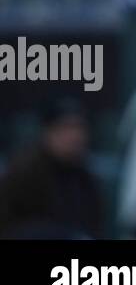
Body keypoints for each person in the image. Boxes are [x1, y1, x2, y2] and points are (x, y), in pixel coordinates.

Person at [0, 95, 104, 239]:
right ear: (47, 132)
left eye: (79, 127)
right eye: (66, 127)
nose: (75, 136)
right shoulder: (24, 173)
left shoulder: (85, 177)